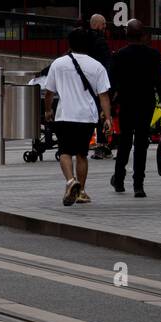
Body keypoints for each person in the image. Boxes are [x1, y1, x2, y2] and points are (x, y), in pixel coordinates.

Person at [42, 28, 113, 207]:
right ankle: (81, 192)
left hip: (65, 114)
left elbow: (49, 92)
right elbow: (104, 95)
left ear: (70, 43)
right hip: (87, 116)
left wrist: (48, 110)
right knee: (82, 154)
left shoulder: (58, 64)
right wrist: (108, 118)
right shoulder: (97, 66)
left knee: (65, 152)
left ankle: (70, 181)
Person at [108, 19, 161, 198]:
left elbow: (112, 85)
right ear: (144, 35)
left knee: (125, 142)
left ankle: (119, 180)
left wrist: (109, 107)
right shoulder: (153, 55)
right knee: (141, 143)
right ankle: (138, 184)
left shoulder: (119, 56)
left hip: (127, 103)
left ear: (127, 35)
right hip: (146, 103)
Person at [88, 13, 114, 158]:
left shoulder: (84, 39)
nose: (105, 27)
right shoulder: (101, 42)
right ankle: (102, 145)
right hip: (98, 83)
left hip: (84, 84)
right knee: (102, 113)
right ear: (98, 25)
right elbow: (106, 64)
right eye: (103, 24)